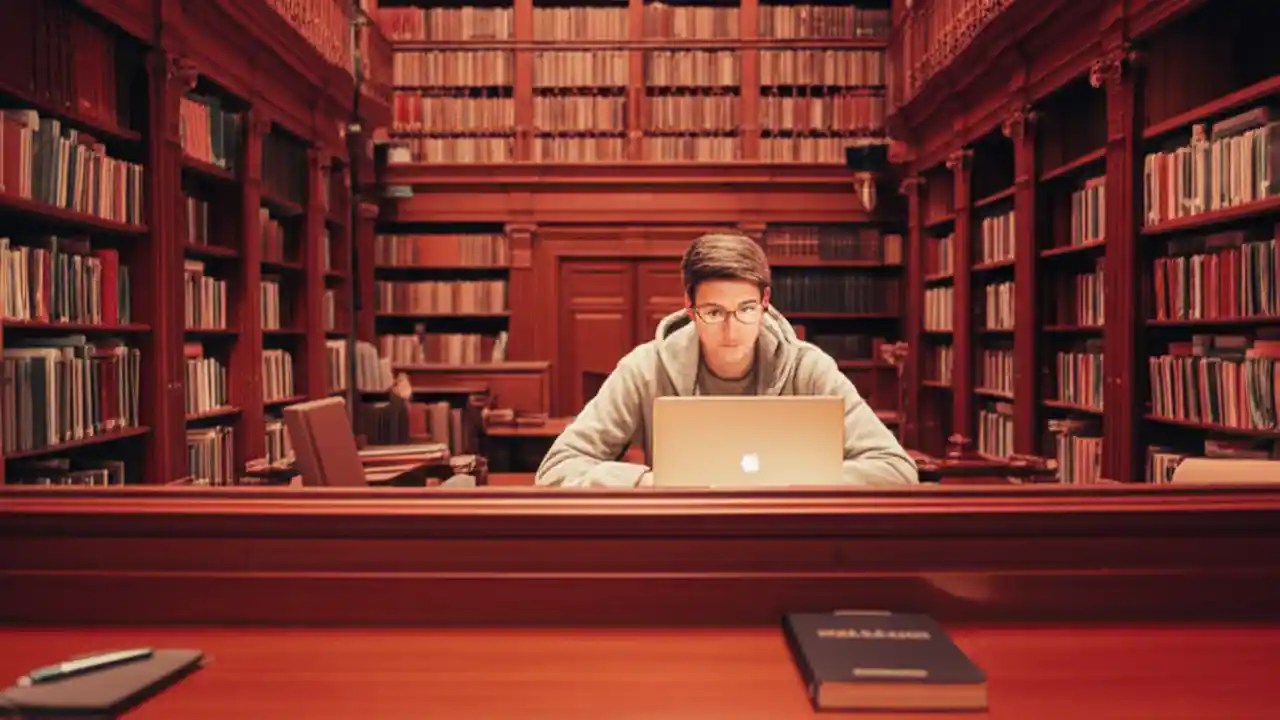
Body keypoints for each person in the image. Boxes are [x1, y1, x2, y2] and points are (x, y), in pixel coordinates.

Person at [535, 232, 918, 487]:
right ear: (689, 306)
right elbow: (556, 469)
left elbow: (897, 470)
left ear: (766, 301)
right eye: (714, 312)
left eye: (747, 309)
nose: (731, 329)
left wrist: (794, 478)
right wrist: (650, 482)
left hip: (785, 543)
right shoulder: (645, 367)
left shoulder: (809, 367)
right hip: (683, 541)